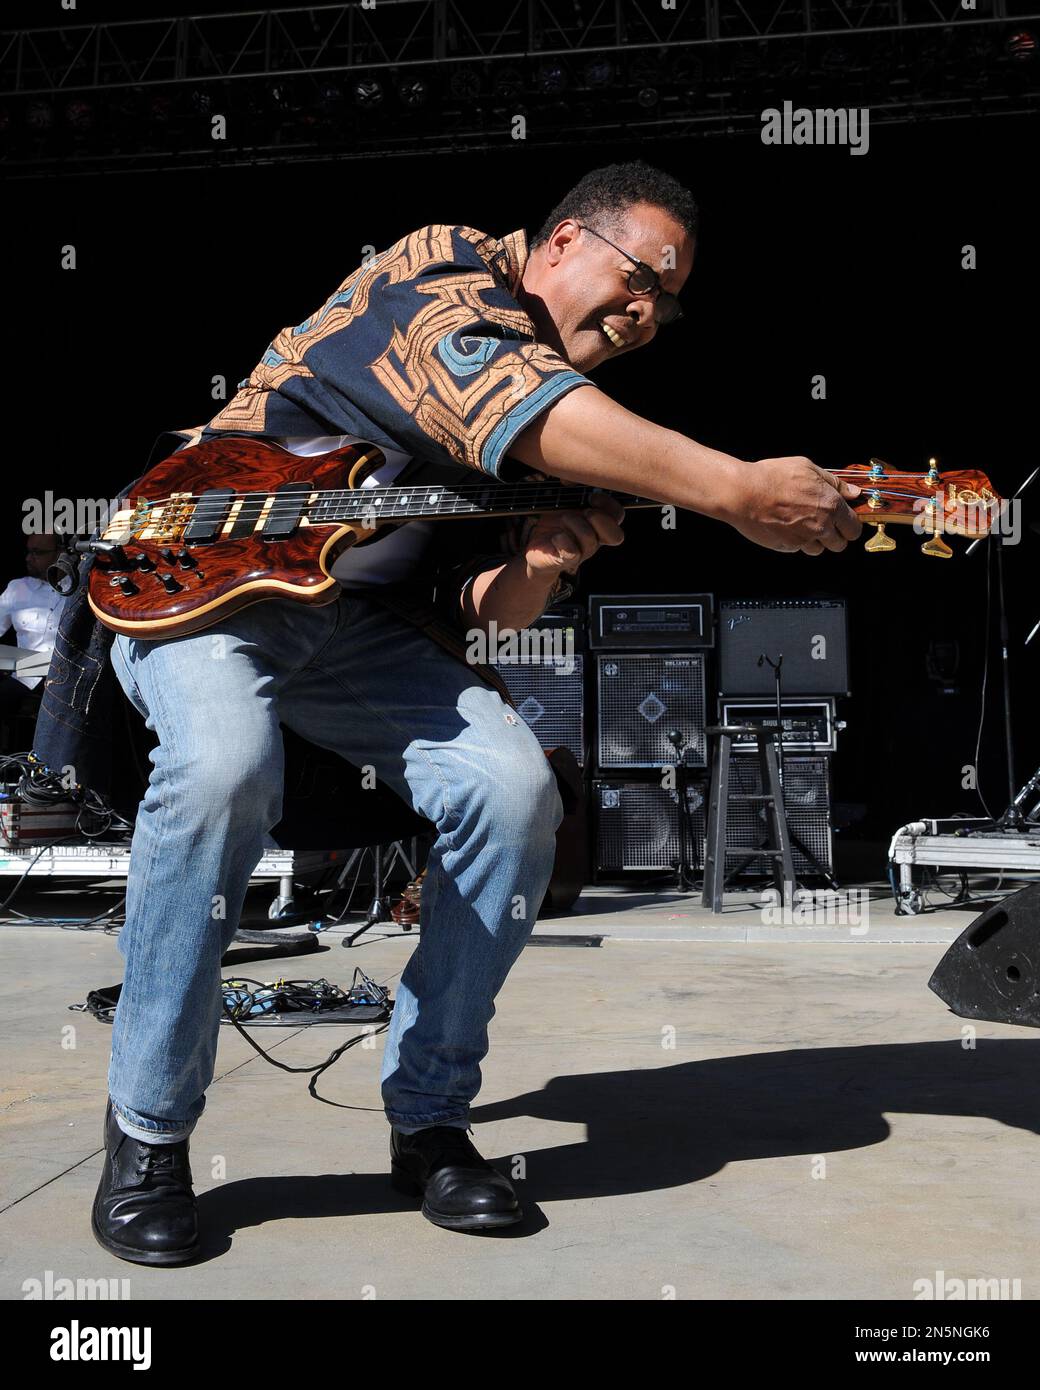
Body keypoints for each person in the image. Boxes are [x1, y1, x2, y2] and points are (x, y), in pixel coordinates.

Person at [42, 161, 860, 1264]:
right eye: (635, 283)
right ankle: (148, 1132)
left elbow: (477, 609)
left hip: (354, 623)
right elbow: (500, 392)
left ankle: (427, 1116)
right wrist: (737, 489)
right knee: (225, 762)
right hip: (202, 576)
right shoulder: (446, 271)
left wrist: (537, 559)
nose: (641, 319)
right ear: (561, 243)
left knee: (513, 790)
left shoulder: (551, 449)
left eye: (663, 310)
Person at [0, 533, 65, 721]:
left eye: (37, 552)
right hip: (23, 679)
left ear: (61, 553)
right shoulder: (17, 588)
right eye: (28, 552)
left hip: (67, 683)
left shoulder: (80, 591)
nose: (29, 558)